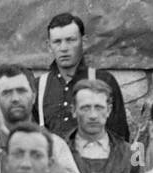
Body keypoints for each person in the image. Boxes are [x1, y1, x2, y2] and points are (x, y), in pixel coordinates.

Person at [0, 64, 87, 173]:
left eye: (21, 91)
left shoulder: (54, 144)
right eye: (7, 92)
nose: (15, 98)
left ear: (34, 96)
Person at [37, 12, 129, 141]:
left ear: (83, 41)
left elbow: (120, 138)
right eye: (57, 42)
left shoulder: (104, 81)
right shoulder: (38, 87)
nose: (64, 48)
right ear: (49, 46)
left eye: (70, 40)